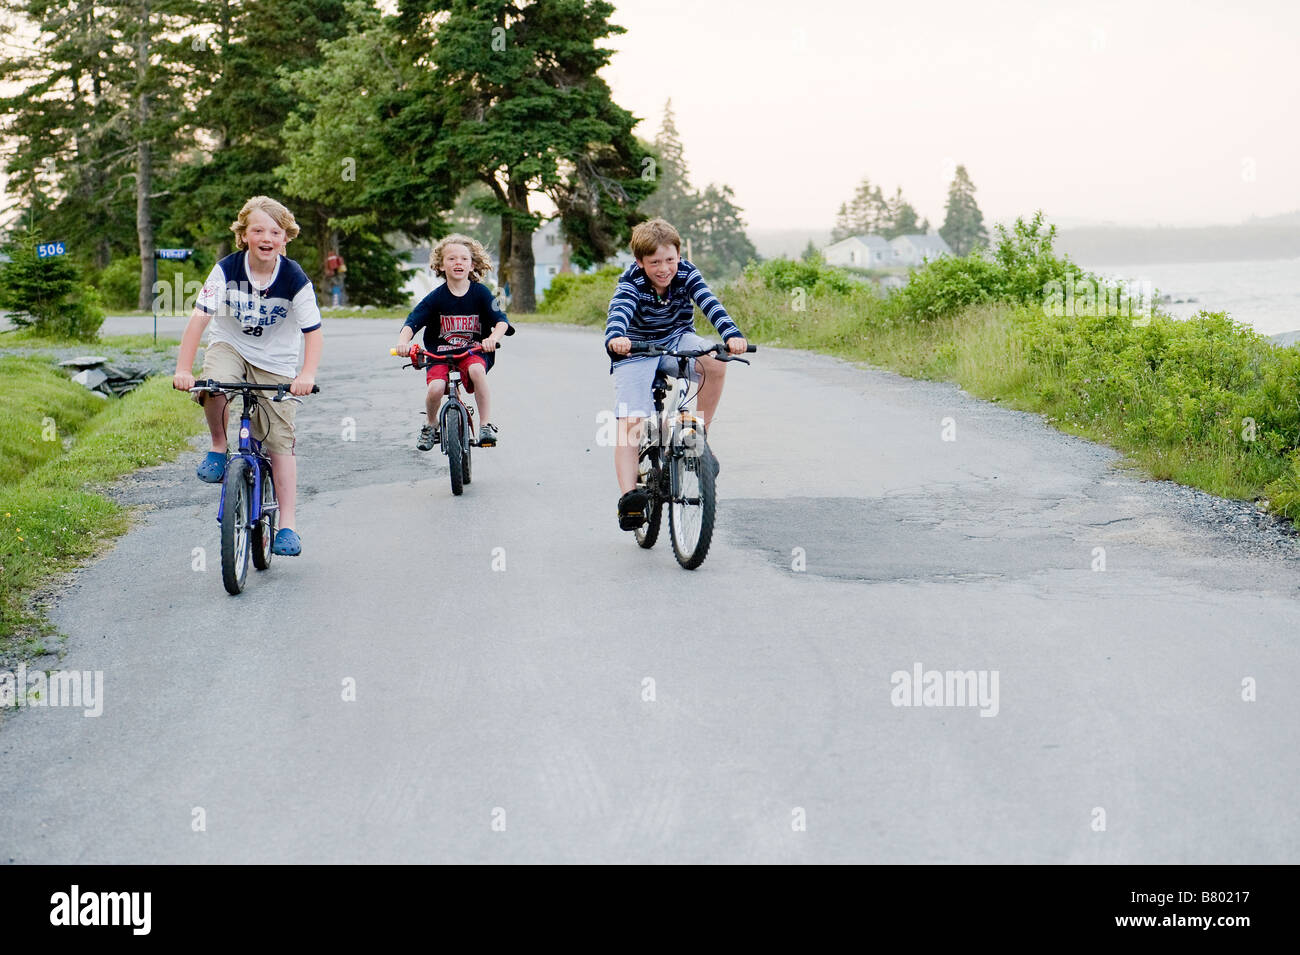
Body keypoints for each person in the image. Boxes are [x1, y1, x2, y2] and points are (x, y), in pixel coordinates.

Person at [171, 195, 323, 557]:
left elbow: (313, 332)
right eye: (258, 230)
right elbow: (199, 320)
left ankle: (287, 524)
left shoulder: (294, 277)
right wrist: (182, 368)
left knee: (279, 441)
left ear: (285, 238)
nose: (266, 237)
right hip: (230, 345)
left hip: (277, 360)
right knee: (214, 385)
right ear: (244, 236)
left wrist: (306, 373)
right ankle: (219, 447)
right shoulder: (225, 269)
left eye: (275, 231)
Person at [605, 217, 748, 530]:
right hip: (634, 348)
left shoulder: (686, 273)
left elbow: (709, 303)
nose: (664, 268)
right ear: (640, 262)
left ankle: (700, 438)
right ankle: (629, 499)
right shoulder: (632, 281)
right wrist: (616, 337)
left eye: (670, 260)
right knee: (631, 422)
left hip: (676, 339)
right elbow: (619, 311)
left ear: (679, 257)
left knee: (715, 361)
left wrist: (731, 334)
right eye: (655, 262)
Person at [395, 234, 513, 448]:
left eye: (464, 259)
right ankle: (430, 425)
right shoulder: (436, 297)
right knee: (436, 388)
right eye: (451, 258)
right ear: (441, 265)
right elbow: (411, 323)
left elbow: (502, 321)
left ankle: (485, 424)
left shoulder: (482, 293)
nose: (458, 262)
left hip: (472, 351)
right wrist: (403, 343)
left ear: (472, 264)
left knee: (477, 371)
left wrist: (492, 338)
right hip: (439, 354)